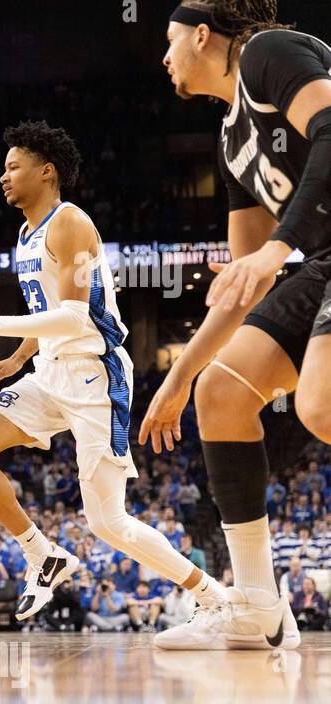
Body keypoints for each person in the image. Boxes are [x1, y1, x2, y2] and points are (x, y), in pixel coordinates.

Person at [0, 121, 227, 631]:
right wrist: (15, 359)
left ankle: (213, 596)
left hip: (96, 376)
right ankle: (43, 556)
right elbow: (48, 314)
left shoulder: (71, 225)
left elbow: (75, 317)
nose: (3, 177)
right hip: (49, 372)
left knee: (108, 523)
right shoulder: (25, 234)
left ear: (46, 171)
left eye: (12, 167)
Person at [141, 1, 330, 649]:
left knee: (320, 405)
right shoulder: (230, 138)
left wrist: (281, 247)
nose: (163, 58)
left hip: (317, 256)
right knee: (220, 393)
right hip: (325, 262)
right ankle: (255, 606)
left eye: (169, 41)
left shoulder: (268, 52)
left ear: (202, 33)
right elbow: (242, 282)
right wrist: (179, 378)